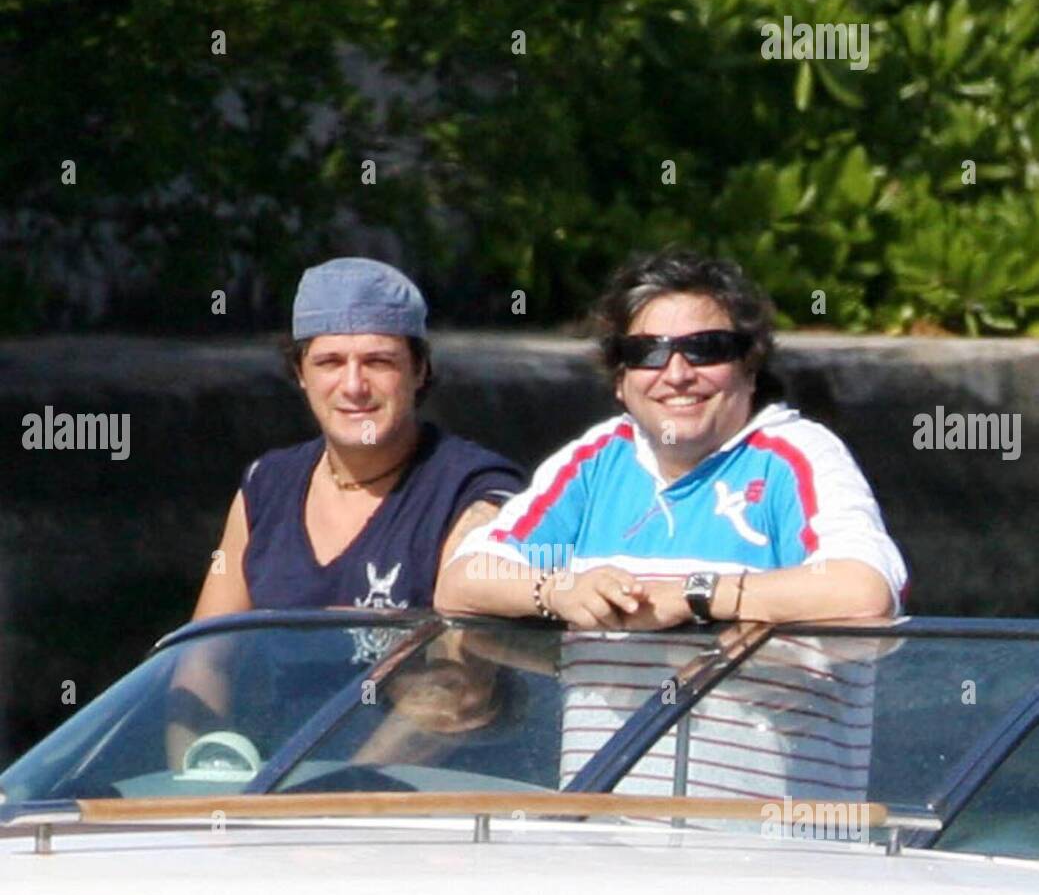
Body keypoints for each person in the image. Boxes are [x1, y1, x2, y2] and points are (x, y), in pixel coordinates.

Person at [435, 246, 907, 626]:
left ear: (750, 367)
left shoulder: (797, 455)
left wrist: (694, 595)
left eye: (706, 349)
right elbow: (462, 582)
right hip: (608, 750)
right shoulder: (594, 460)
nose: (677, 374)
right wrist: (557, 591)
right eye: (648, 352)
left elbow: (865, 592)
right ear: (620, 378)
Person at [192, 256, 524, 619]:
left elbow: (462, 661)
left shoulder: (471, 490)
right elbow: (204, 661)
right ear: (300, 372)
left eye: (378, 362)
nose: (354, 387)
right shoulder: (266, 486)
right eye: (330, 362)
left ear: (419, 370)